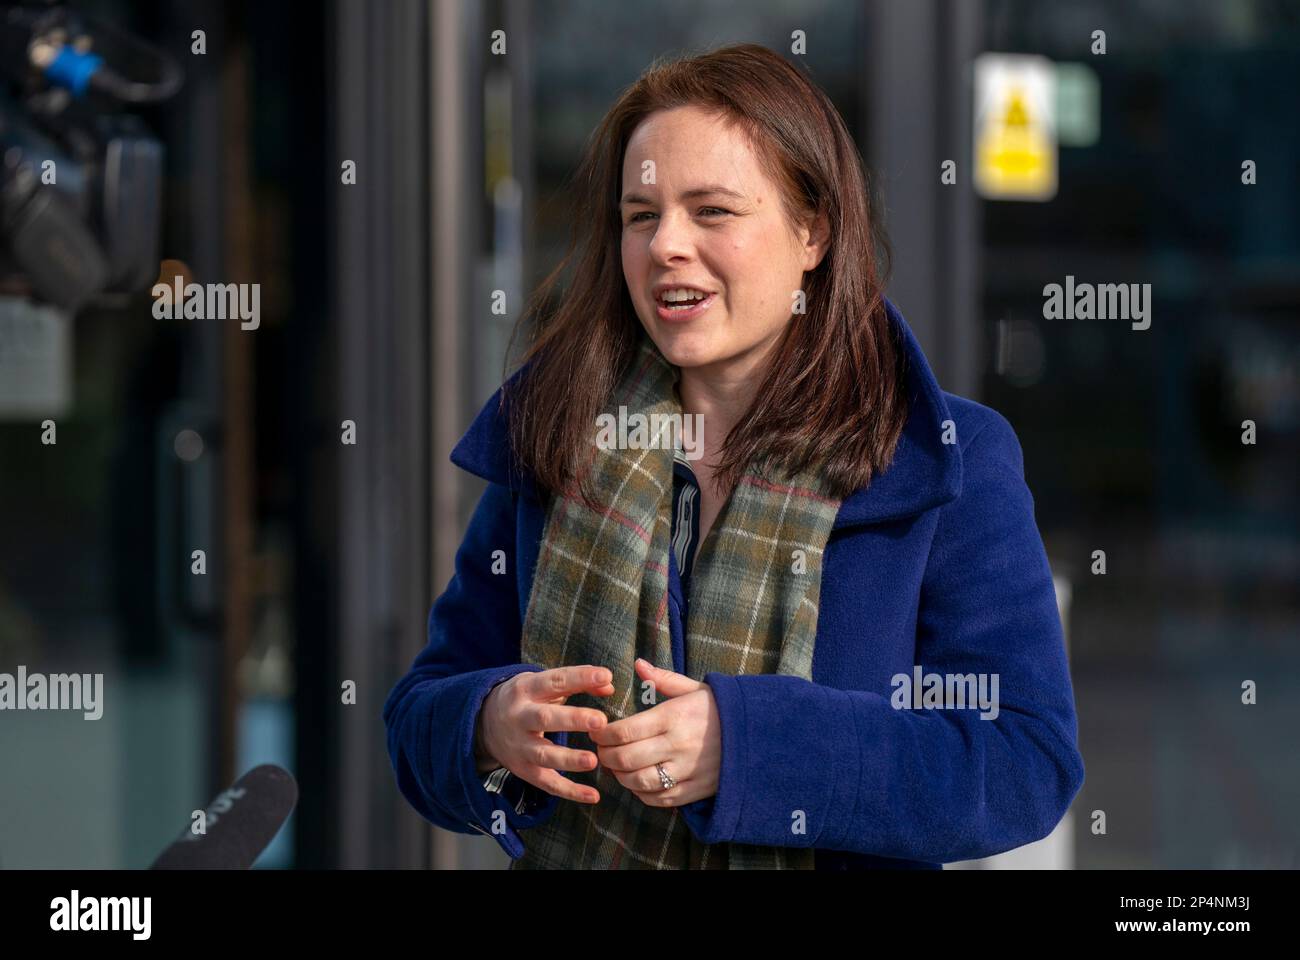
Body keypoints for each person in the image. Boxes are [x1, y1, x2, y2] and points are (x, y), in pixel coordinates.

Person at [383, 42, 1084, 870]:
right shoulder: (562, 432)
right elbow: (420, 716)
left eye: (711, 211)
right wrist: (491, 724)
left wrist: (750, 748)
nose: (666, 245)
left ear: (813, 232)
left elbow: (1024, 762)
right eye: (641, 215)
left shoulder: (941, 457)